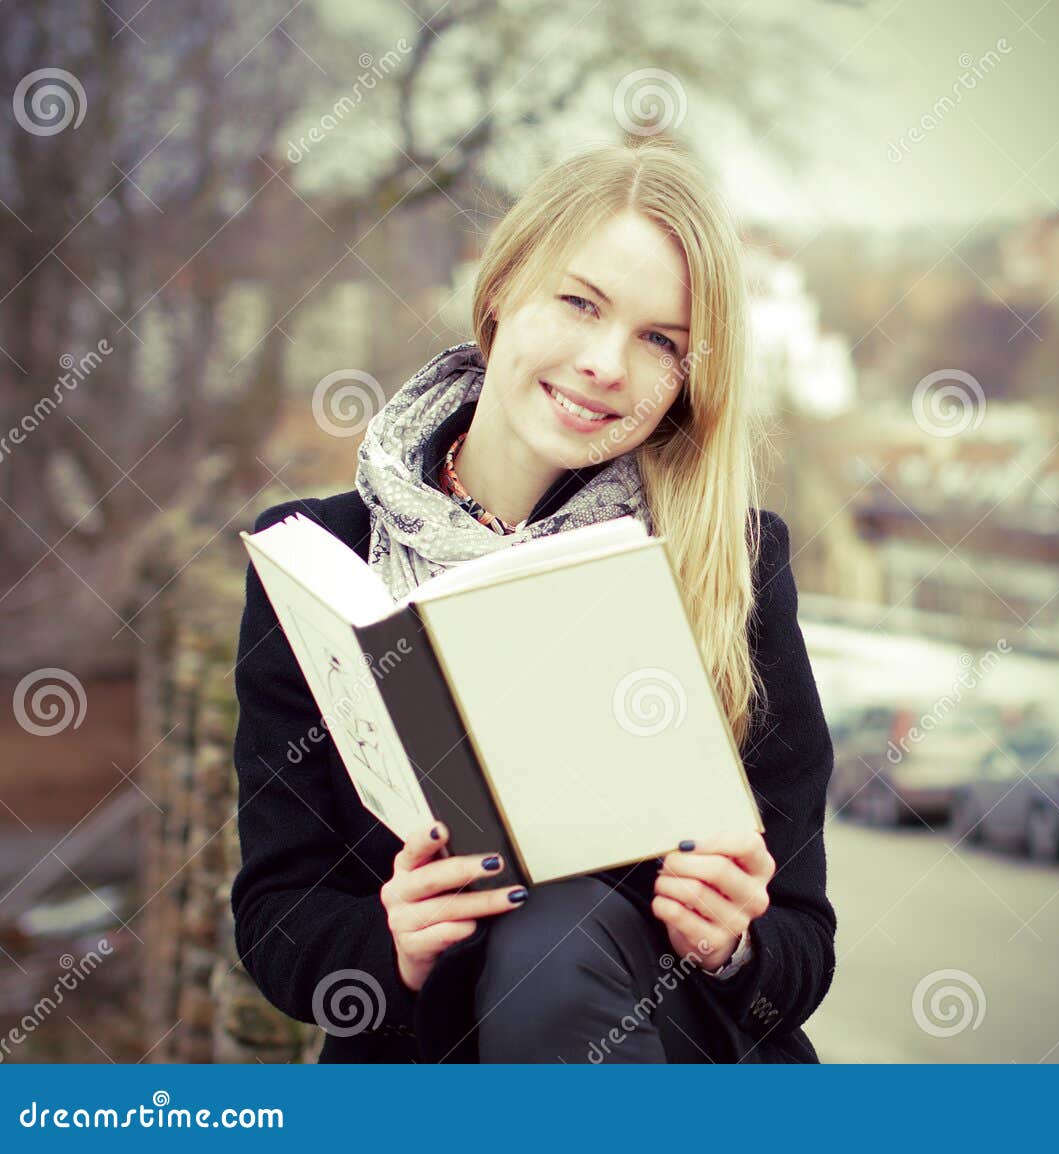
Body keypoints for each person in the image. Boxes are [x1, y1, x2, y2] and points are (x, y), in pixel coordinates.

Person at [229, 138, 836, 1063]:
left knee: (556, 932)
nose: (605, 363)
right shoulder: (321, 559)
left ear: (686, 376)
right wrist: (388, 945)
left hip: (665, 1059)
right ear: (504, 286)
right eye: (581, 303)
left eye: (659, 341)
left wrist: (733, 944)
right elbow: (277, 919)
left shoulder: (734, 562)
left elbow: (803, 946)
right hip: (424, 1066)